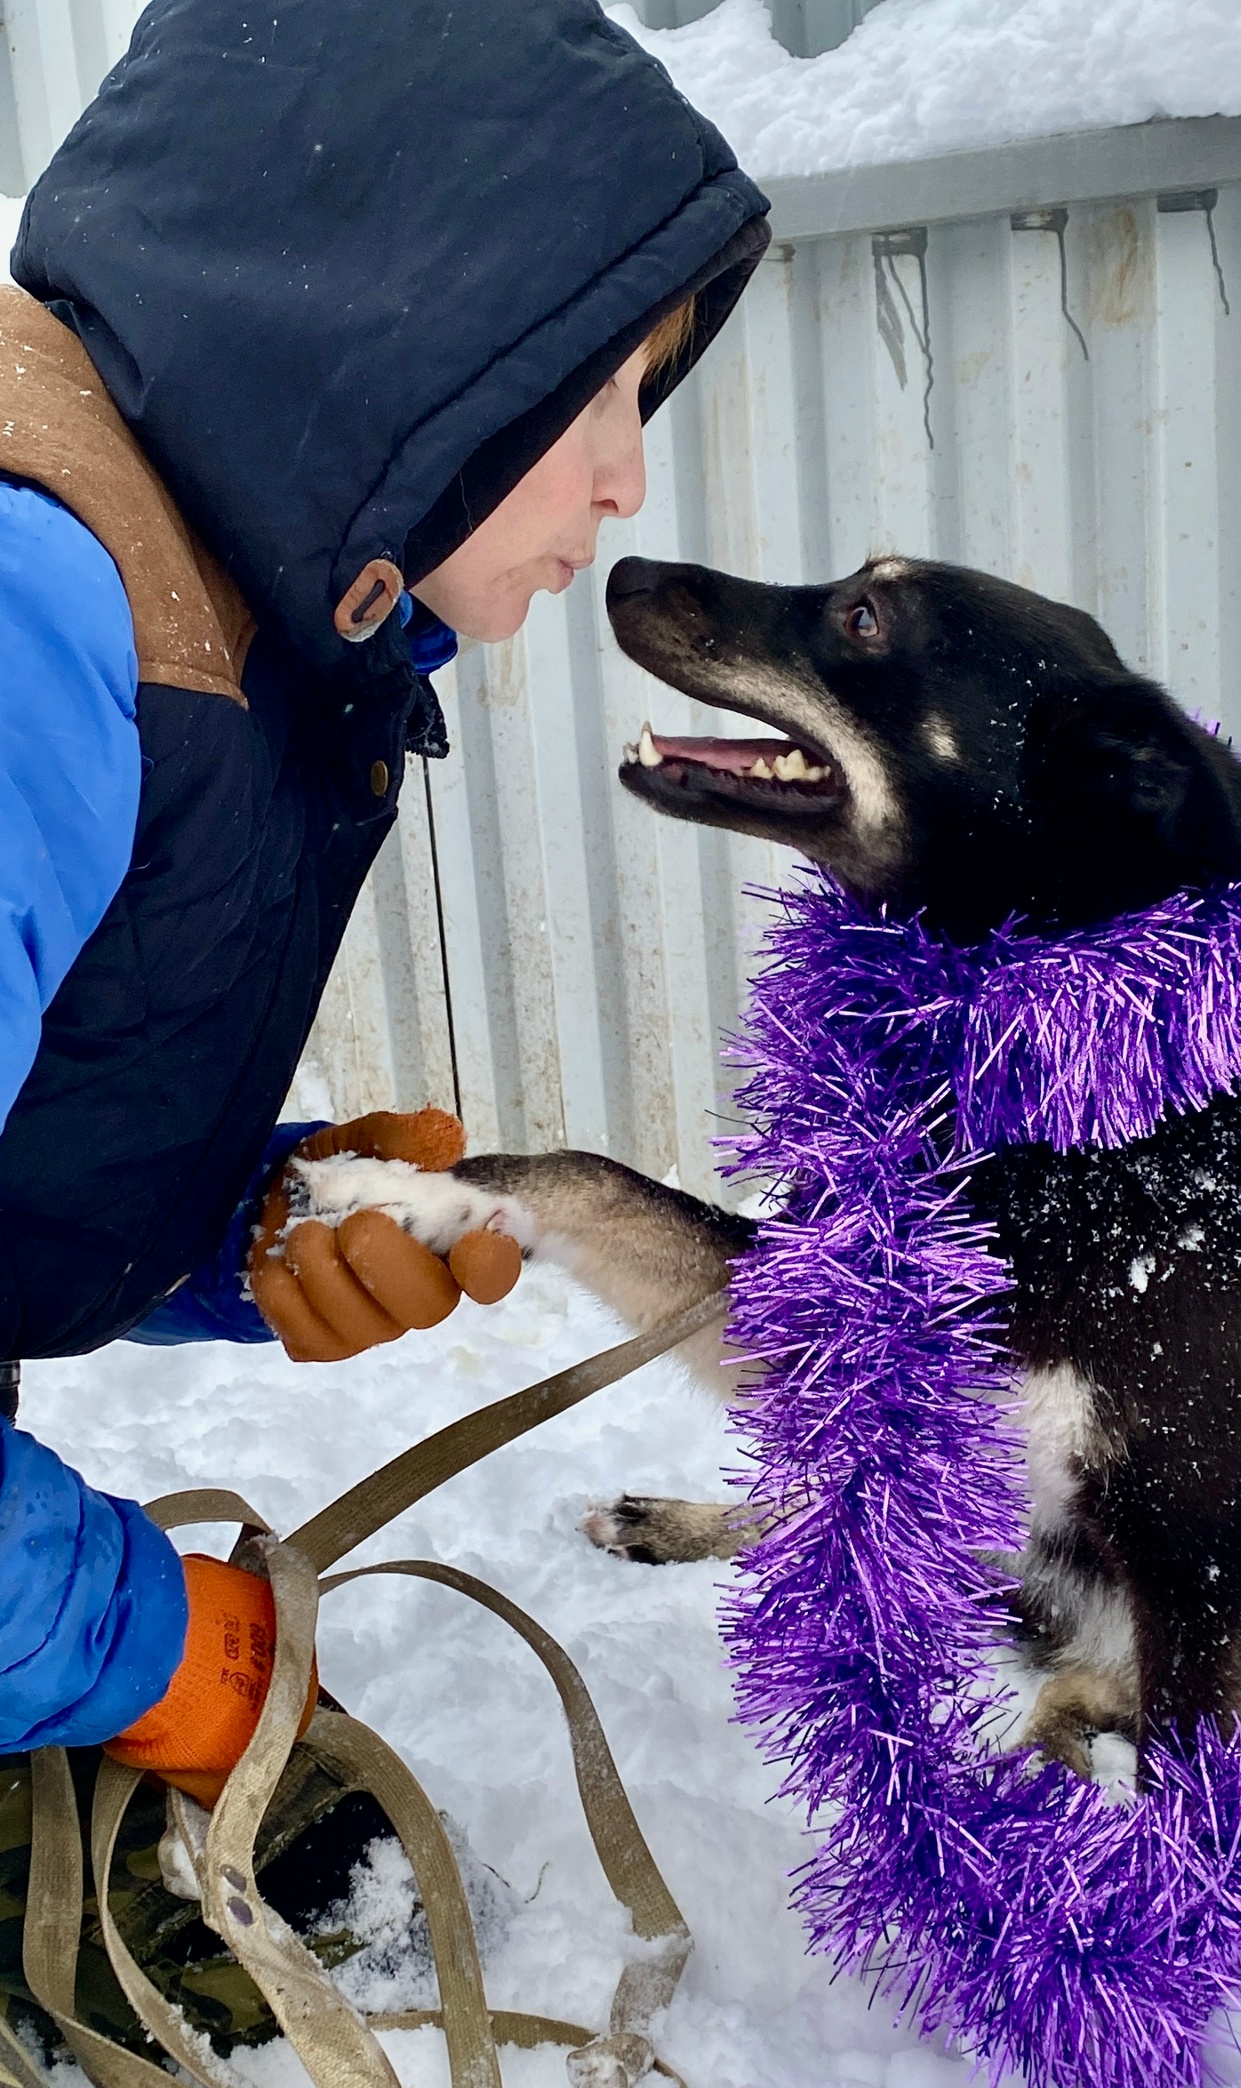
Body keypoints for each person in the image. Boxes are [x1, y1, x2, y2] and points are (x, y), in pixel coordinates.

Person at [0, 0, 768, 1798]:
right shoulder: (33, 624)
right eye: (601, 387)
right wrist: (134, 1648)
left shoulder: (209, 614)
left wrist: (222, 1219)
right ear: (400, 326)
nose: (627, 478)